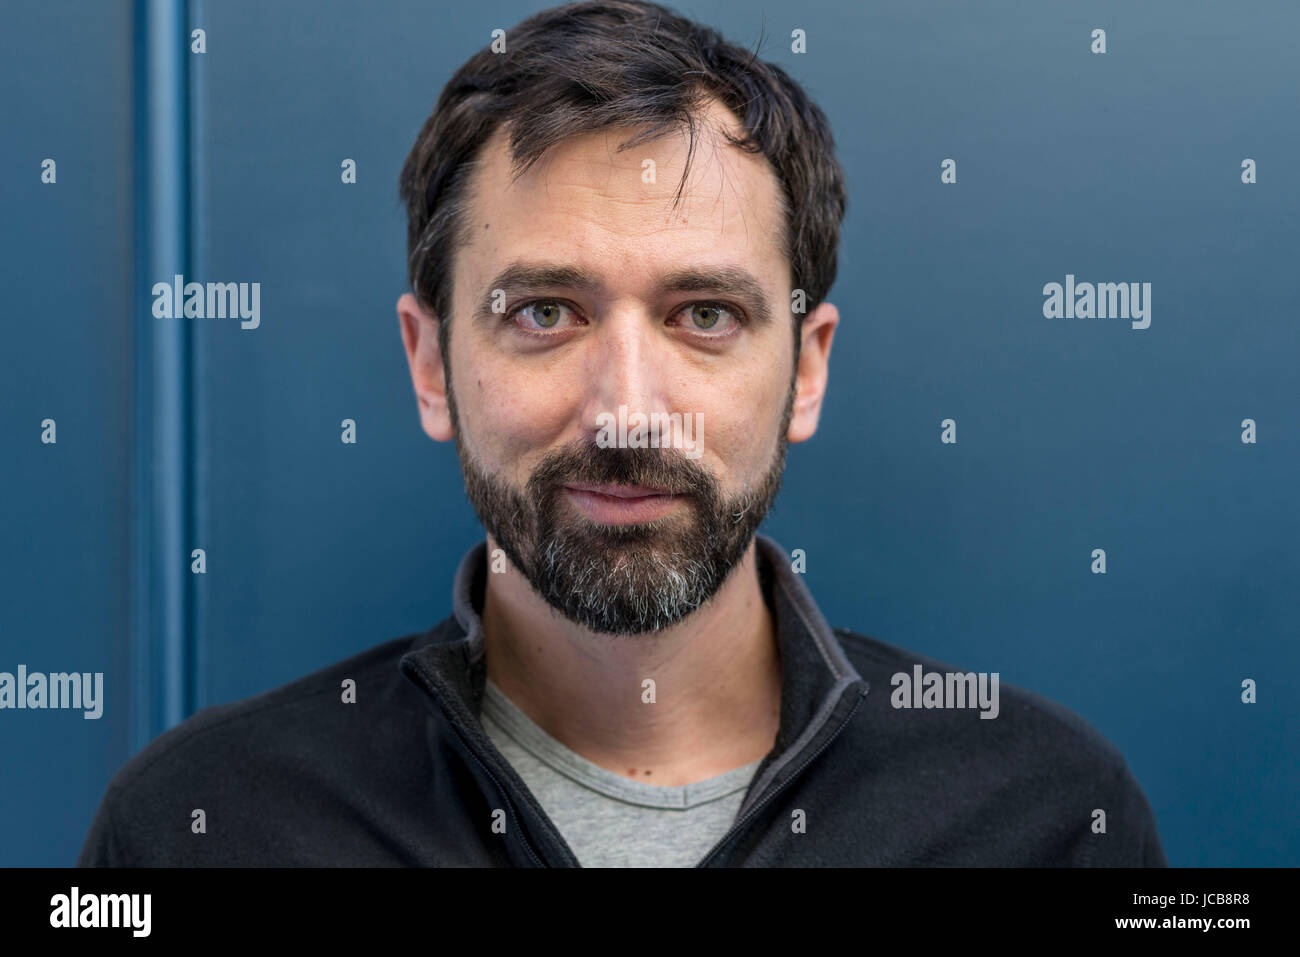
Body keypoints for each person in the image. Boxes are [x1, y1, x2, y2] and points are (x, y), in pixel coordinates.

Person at [79, 0, 1166, 867]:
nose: (626, 409)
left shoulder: (1046, 820)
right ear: (429, 365)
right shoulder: (201, 829)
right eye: (545, 313)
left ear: (806, 368)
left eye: (705, 316)